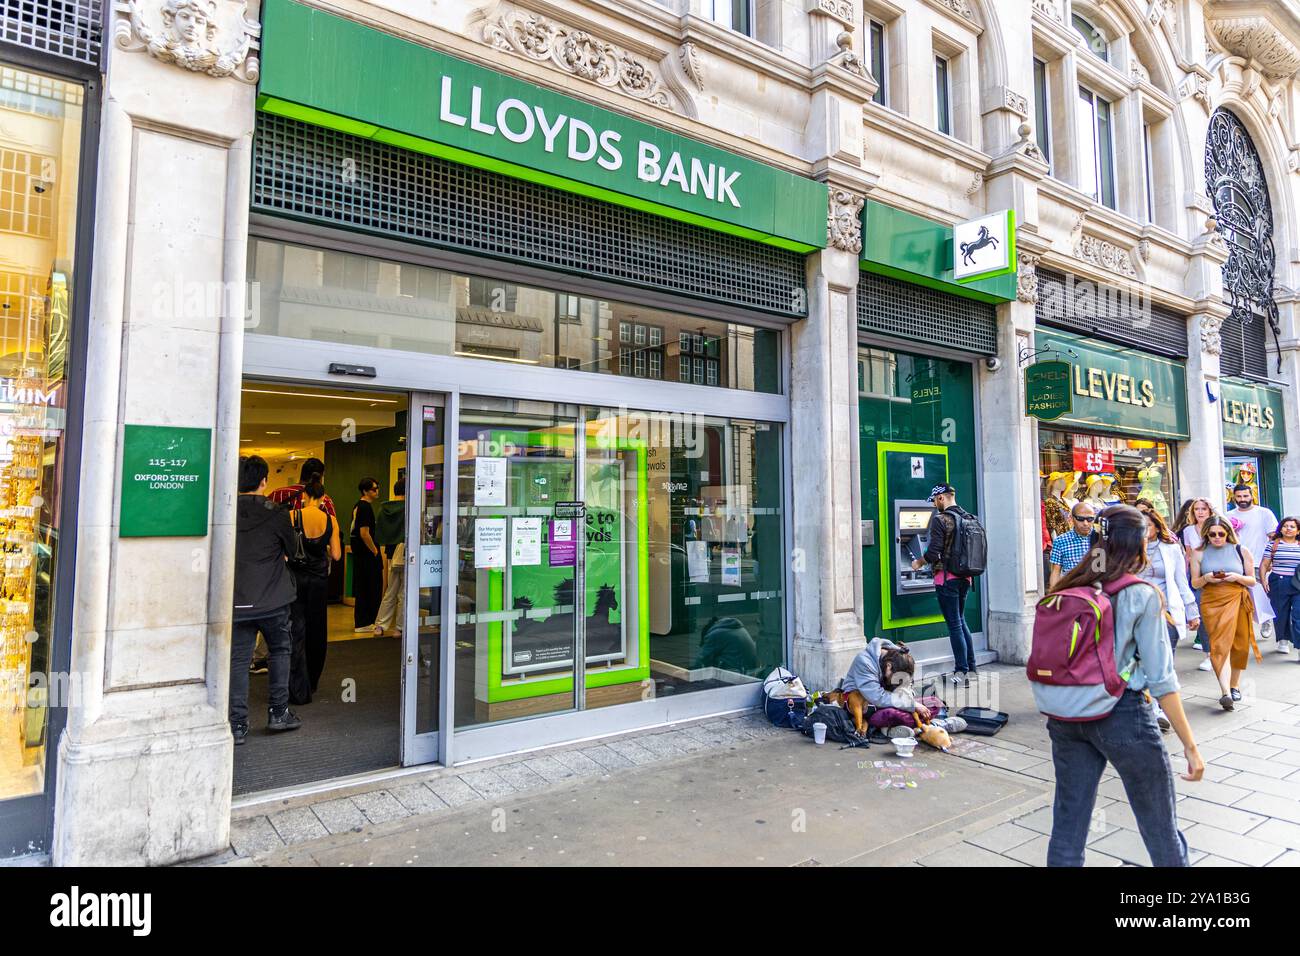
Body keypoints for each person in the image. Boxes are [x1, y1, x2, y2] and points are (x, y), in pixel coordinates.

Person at [1044, 505, 1203, 867]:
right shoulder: (1141, 594)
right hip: (1121, 714)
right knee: (1159, 825)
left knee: (1068, 824)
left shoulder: (1072, 585)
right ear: (1137, 543)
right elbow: (1163, 680)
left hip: (1066, 715)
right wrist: (1190, 746)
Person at [232, 455, 302, 743]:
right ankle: (278, 712)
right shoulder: (277, 512)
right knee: (280, 651)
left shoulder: (223, 510)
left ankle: (236, 725)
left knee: (238, 659)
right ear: (264, 481)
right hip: (273, 598)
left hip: (235, 599)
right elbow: (294, 550)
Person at [1190, 516, 1262, 711]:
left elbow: (1252, 580)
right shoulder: (1198, 553)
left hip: (1237, 597)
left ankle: (1234, 685)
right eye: (1212, 534)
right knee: (1218, 645)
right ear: (1206, 534)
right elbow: (1195, 583)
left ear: (1228, 532)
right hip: (1211, 601)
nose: (1217, 538)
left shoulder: (1241, 550)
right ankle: (1225, 692)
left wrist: (1237, 577)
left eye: (1221, 534)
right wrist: (1206, 577)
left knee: (1239, 644)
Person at [910, 483, 977, 686]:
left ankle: (962, 671)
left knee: (954, 625)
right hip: (966, 578)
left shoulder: (941, 519)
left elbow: (934, 552)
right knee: (961, 621)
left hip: (946, 578)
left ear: (941, 498)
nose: (933, 505)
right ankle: (971, 668)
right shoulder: (969, 517)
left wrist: (917, 562)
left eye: (934, 500)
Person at [1139, 509, 1199, 732]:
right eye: (1140, 527)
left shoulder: (1171, 548)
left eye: (1147, 526)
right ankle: (1149, 705)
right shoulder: (1128, 550)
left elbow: (1180, 581)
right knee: (1143, 660)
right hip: (1138, 612)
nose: (1144, 531)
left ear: (1157, 527)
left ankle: (1160, 707)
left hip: (1166, 613)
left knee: (1165, 661)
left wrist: (1191, 610)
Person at [839, 638, 964, 740]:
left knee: (934, 702)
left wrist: (911, 700)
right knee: (891, 714)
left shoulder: (899, 656)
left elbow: (906, 688)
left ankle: (898, 729)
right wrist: (912, 705)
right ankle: (936, 725)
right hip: (867, 706)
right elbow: (878, 698)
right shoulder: (864, 662)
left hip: (890, 700)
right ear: (888, 667)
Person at [290, 479, 341, 697]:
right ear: (322, 498)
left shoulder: (293, 516)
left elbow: (285, 549)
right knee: (317, 628)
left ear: (305, 496)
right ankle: (313, 679)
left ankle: (295, 679)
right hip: (319, 581)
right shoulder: (330, 520)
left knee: (295, 627)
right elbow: (337, 555)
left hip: (296, 579)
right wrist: (324, 549)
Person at [1227, 483, 1278, 641]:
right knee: (1239, 596)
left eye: (1245, 496)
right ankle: (1243, 628)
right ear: (1234, 497)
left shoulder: (1264, 513)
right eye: (1239, 497)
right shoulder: (1228, 515)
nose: (1242, 499)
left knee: (1260, 594)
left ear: (1252, 496)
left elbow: (1273, 537)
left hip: (1258, 561)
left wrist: (1271, 559)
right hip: (1235, 561)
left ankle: (1265, 620)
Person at [1174, 497, 1216, 670]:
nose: (1200, 512)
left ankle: (1223, 650)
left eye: (1203, 509)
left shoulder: (1217, 526)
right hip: (1197, 576)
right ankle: (1209, 655)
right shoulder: (1189, 530)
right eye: (1197, 509)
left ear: (1209, 511)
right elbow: (1189, 555)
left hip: (1218, 574)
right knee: (1203, 615)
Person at [1261, 516, 1300, 655]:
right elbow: (1265, 564)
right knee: (1280, 613)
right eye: (1285, 526)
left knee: (1298, 615)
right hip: (1279, 581)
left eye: (1292, 527)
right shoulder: (1274, 544)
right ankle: (1283, 640)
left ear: (1298, 530)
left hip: (1298, 584)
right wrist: (1263, 580)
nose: (1288, 529)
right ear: (1280, 528)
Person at [374, 478, 407, 638]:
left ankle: (380, 626)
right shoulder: (409, 508)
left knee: (390, 591)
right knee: (403, 593)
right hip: (406, 553)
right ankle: (399, 628)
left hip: (390, 552)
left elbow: (379, 533)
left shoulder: (384, 509)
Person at [350, 477, 383, 632]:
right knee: (370, 587)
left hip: (362, 553)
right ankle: (365, 621)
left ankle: (365, 620)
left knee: (365, 586)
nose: (377, 491)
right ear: (365, 491)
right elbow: (364, 533)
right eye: (374, 489)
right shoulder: (364, 507)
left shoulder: (359, 506)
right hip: (366, 554)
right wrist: (375, 551)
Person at [1048, 503, 1096, 589]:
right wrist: (1053, 594)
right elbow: (1056, 571)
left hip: (1096, 591)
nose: (1085, 523)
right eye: (1080, 519)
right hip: (1072, 590)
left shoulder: (1101, 538)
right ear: (1071, 518)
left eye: (1090, 519)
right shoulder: (1060, 541)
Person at [269, 456, 337, 516]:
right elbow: (332, 526)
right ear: (320, 477)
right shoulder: (324, 500)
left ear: (302, 473)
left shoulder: (278, 493)